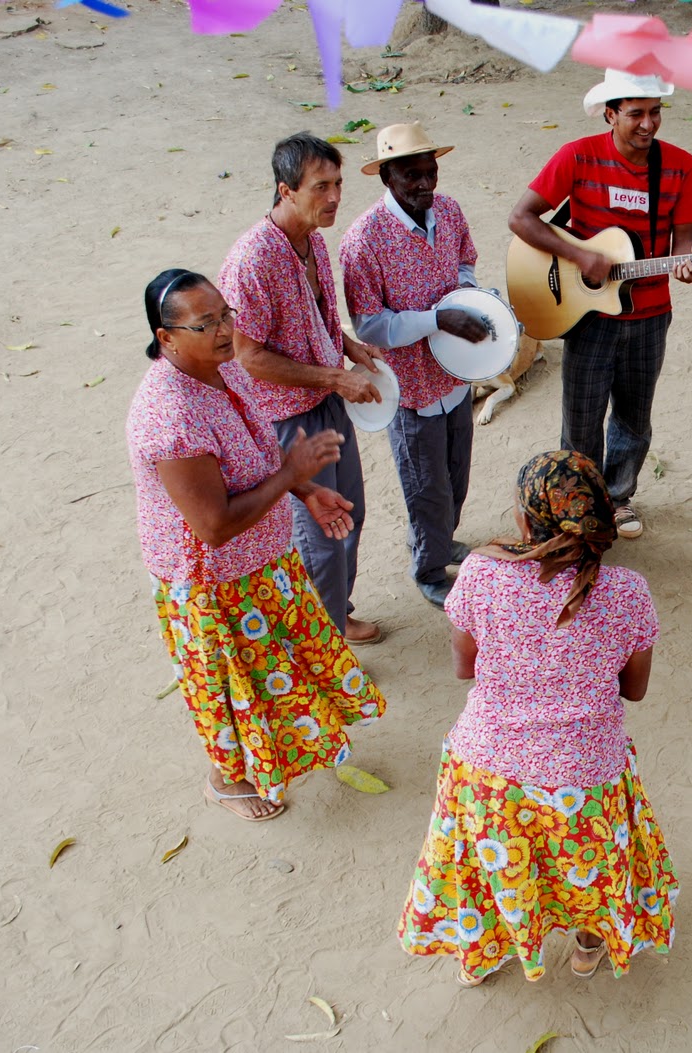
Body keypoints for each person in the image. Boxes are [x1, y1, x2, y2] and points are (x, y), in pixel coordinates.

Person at [398, 451, 676, 986]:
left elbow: (465, 668)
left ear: (524, 520)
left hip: (486, 772)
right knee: (589, 870)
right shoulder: (628, 593)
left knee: (496, 871)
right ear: (601, 515)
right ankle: (589, 945)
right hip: (585, 775)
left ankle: (483, 956)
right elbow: (634, 691)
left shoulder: (480, 573)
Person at [126, 269, 386, 822]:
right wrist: (293, 470)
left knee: (275, 671)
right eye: (205, 323)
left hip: (264, 560)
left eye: (226, 315)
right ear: (166, 337)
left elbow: (260, 459)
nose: (223, 331)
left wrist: (308, 490)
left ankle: (269, 757)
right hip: (211, 581)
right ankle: (224, 780)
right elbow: (214, 526)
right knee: (227, 687)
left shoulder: (226, 372)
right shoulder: (168, 417)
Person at [507, 70, 692, 539]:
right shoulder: (577, 156)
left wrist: (687, 265)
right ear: (610, 113)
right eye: (635, 113)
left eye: (655, 112)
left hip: (651, 313)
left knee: (634, 418)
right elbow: (521, 217)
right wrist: (581, 256)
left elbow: (685, 243)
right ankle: (577, 504)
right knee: (581, 417)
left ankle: (617, 499)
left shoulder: (681, 167)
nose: (648, 124)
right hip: (587, 314)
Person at [219, 132, 386, 644]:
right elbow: (249, 358)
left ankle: (337, 615)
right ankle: (322, 648)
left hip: (326, 401)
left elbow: (311, 320)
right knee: (320, 536)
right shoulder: (253, 261)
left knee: (348, 515)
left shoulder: (312, 237)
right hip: (289, 420)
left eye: (337, 184)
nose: (334, 197)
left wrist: (350, 347)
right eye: (321, 187)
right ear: (285, 190)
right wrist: (336, 376)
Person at [340, 122, 490, 609]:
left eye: (431, 172)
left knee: (456, 474)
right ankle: (429, 569)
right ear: (387, 177)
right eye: (412, 175)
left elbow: (466, 260)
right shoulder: (363, 240)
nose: (426, 184)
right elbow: (369, 326)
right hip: (411, 388)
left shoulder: (448, 211)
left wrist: (464, 294)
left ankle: (441, 542)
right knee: (426, 486)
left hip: (454, 373)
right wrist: (436, 318)